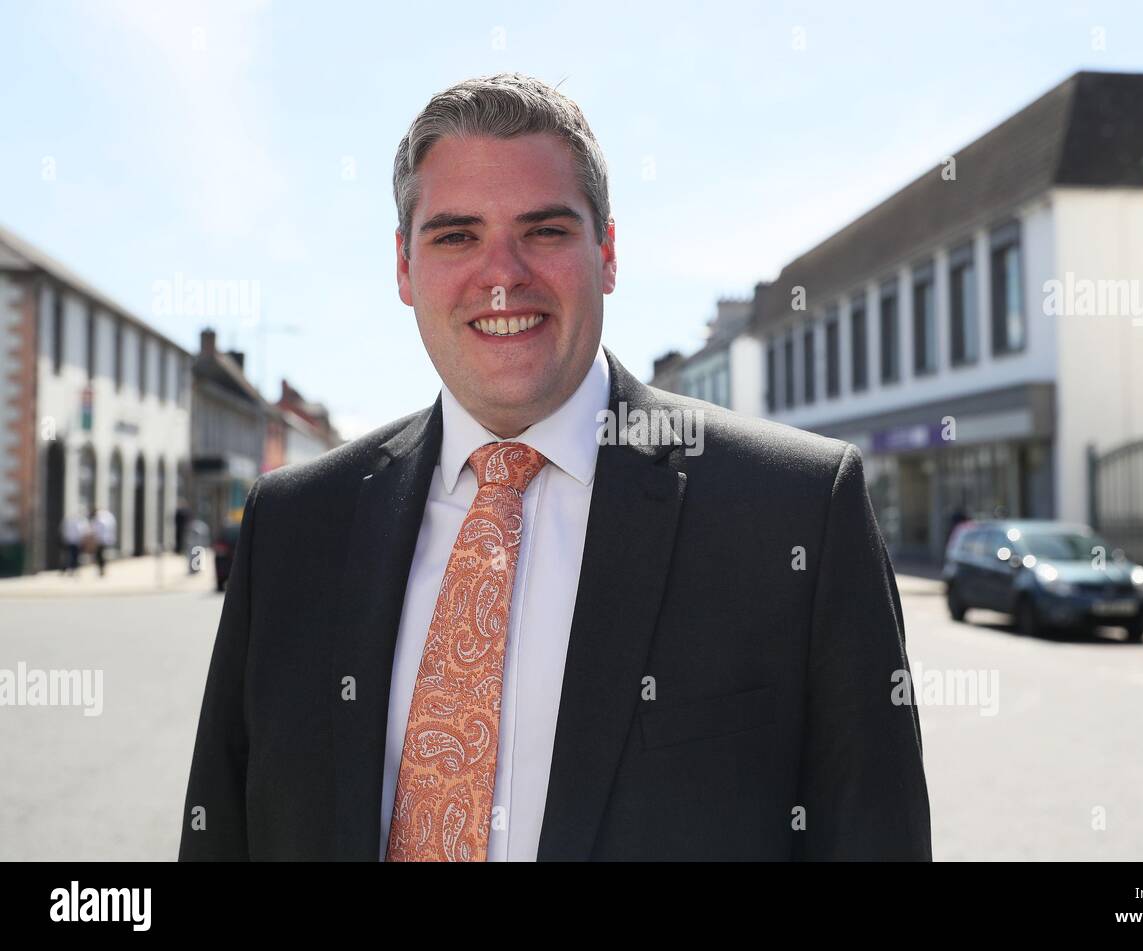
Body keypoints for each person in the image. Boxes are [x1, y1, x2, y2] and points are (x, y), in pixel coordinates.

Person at [180, 73, 931, 862]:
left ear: (606, 253)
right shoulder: (295, 526)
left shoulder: (796, 512)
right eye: (456, 235)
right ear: (404, 269)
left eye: (543, 231)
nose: (502, 275)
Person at [91, 506, 116, 577]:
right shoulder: (107, 517)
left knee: (99, 555)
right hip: (103, 539)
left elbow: (97, 530)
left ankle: (102, 569)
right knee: (100, 555)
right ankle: (101, 569)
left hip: (101, 540)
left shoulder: (100, 519)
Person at [60, 508, 88, 574]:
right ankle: (71, 568)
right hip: (74, 541)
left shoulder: (70, 521)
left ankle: (70, 568)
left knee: (72, 556)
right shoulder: (77, 522)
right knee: (73, 556)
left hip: (72, 541)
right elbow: (81, 531)